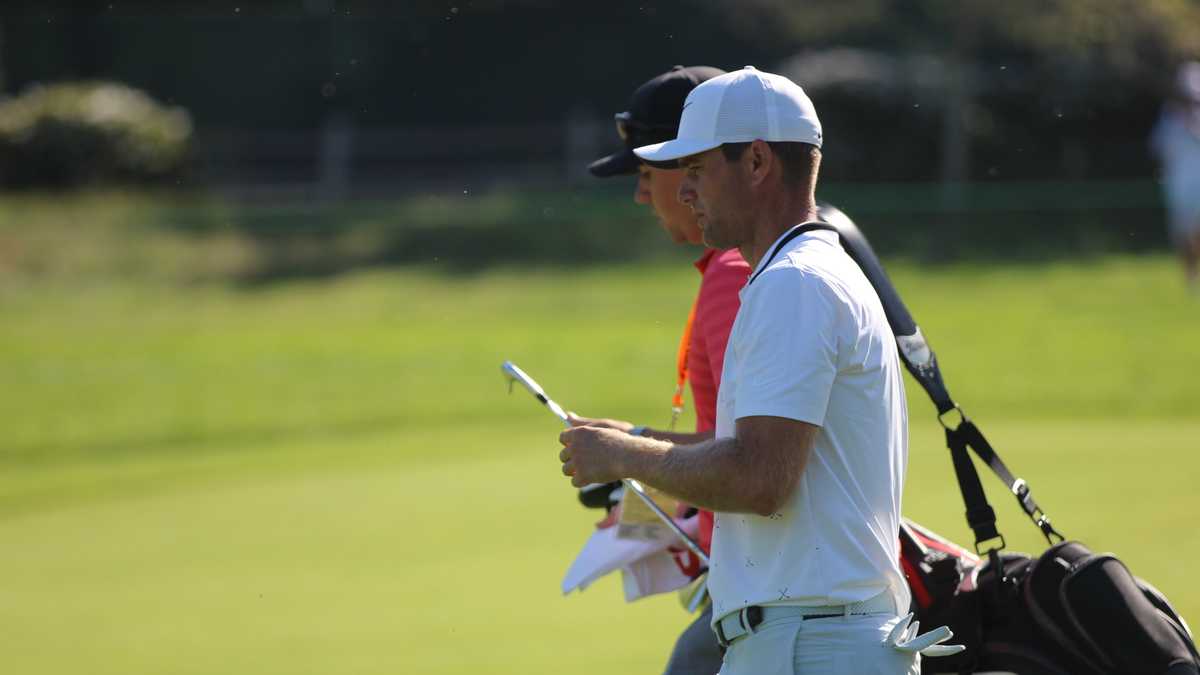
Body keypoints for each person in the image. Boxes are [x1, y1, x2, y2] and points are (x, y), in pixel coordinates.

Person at [558, 67, 927, 674]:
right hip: (812, 640)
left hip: (812, 648)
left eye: (698, 170)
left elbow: (759, 477)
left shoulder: (795, 284)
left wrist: (625, 456)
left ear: (756, 162)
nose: (686, 192)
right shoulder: (796, 274)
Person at [579, 64, 748, 675]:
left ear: (694, 168)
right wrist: (636, 446)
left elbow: (752, 452)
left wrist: (634, 455)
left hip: (763, 582)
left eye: (649, 173)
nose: (640, 194)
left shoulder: (735, 272)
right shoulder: (739, 264)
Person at [1150, 61, 1200, 290]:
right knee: (1184, 234)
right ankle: (1190, 278)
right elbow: (1157, 147)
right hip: (1179, 187)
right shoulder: (1169, 118)